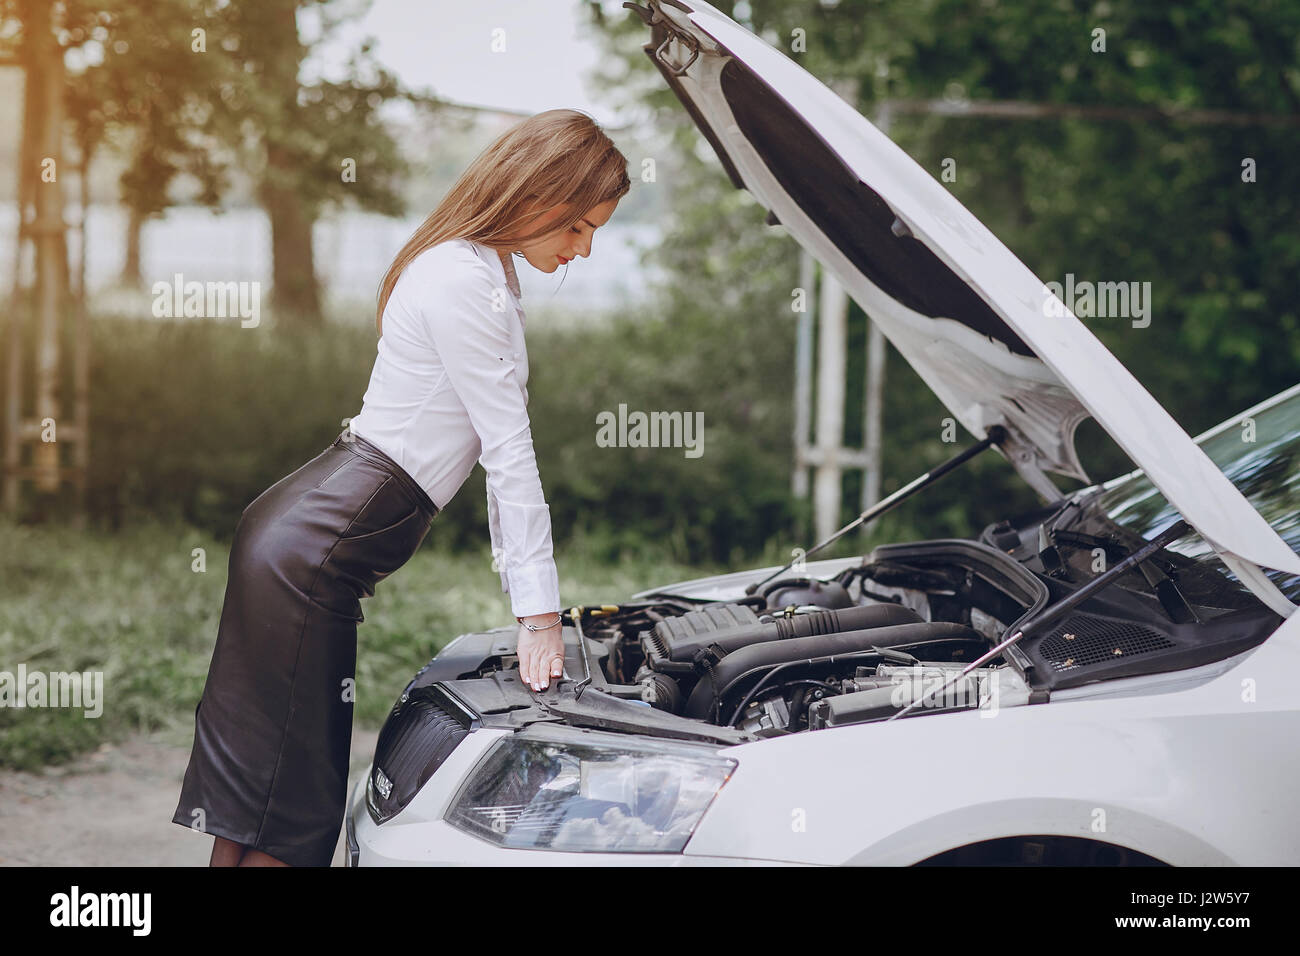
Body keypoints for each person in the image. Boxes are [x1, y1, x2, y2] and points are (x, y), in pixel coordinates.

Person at [170, 108, 631, 866]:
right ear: (534, 193)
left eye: (595, 233)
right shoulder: (460, 278)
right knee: (292, 807)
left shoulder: (481, 269)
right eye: (577, 226)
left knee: (268, 797)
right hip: (307, 556)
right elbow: (508, 452)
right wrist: (540, 617)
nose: (582, 249)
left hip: (305, 542)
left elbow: (489, 443)